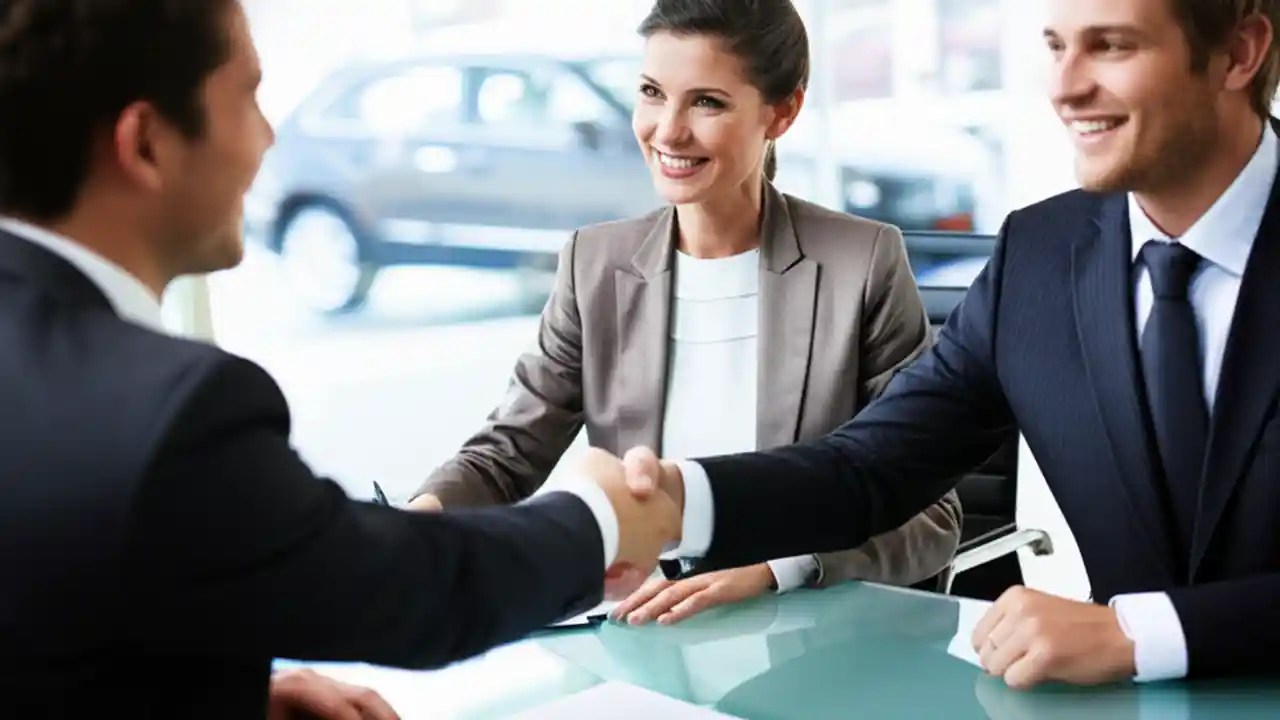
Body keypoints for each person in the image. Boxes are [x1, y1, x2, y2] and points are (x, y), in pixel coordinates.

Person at [0, 1, 678, 716]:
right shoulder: (169, 413)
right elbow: (415, 592)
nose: (266, 140)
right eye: (249, 97)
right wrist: (600, 520)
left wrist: (227, 696)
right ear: (146, 144)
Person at [609, 0, 1280, 689]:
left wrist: (1143, 634)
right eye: (1056, 48)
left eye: (1111, 47)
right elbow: (872, 468)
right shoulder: (1039, 256)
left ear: (1238, 53)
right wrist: (678, 497)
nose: (1065, 87)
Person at [409, 0, 961, 625]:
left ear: (783, 111)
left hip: (805, 632)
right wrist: (409, 531)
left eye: (707, 102)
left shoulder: (860, 264)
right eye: (652, 92)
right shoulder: (595, 263)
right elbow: (504, 457)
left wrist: (773, 570)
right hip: (638, 629)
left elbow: (931, 517)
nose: (667, 131)